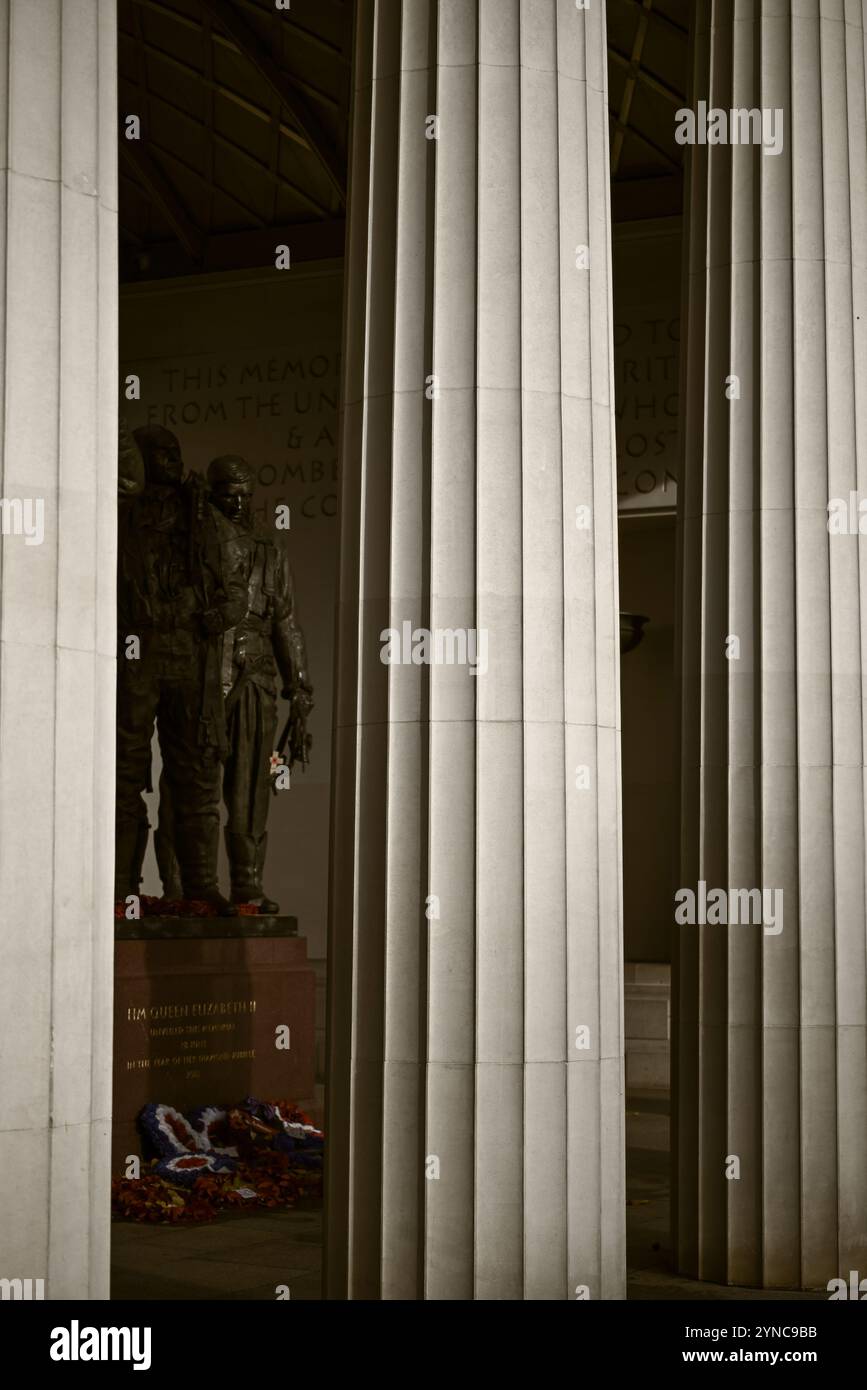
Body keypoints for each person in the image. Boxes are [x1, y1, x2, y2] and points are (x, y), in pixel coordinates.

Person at [115, 425, 246, 915]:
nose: (170, 461)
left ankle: (200, 885)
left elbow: (236, 586)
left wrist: (216, 613)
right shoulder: (123, 516)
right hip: (138, 652)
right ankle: (122, 885)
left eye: (174, 453)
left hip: (191, 655)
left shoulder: (205, 519)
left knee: (196, 774)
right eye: (160, 454)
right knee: (125, 770)